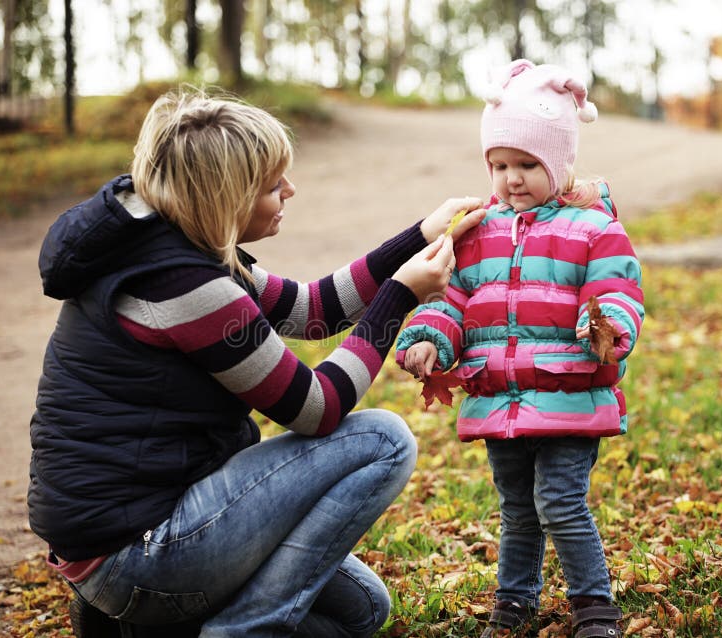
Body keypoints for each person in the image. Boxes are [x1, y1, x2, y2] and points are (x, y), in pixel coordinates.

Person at [28, 88, 486, 638]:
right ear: (228, 196)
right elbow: (317, 410)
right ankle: (239, 629)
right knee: (385, 439)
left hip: (130, 535)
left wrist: (418, 237)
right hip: (139, 550)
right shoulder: (183, 284)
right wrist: (399, 297)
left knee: (360, 610)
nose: (290, 190)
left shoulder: (170, 244)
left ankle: (134, 625)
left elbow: (312, 310)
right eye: (273, 185)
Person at [396, 59, 644, 638]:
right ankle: (513, 604)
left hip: (567, 393)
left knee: (559, 502)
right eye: (500, 164)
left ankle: (594, 608)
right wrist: (430, 333)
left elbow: (616, 286)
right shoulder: (478, 232)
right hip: (499, 396)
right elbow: (453, 298)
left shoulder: (591, 228)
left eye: (528, 164)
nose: (511, 178)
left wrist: (606, 324)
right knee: (517, 510)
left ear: (558, 162)